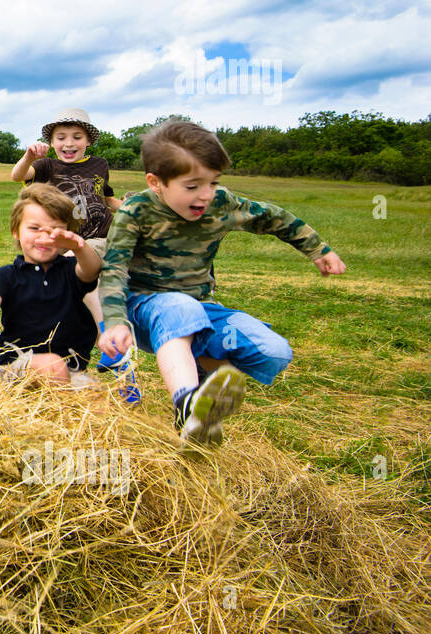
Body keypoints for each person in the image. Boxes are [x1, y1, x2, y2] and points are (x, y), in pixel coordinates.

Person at [97, 120, 347, 446]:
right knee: (180, 308)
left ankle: (203, 404)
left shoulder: (221, 203)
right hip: (144, 309)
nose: (206, 195)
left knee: (274, 352)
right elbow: (113, 269)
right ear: (156, 182)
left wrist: (318, 249)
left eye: (213, 182)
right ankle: (186, 404)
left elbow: (273, 217)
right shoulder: (136, 212)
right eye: (192, 186)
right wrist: (115, 321)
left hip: (201, 308)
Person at [0, 183, 101, 388]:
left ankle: (63, 406)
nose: (44, 237)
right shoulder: (7, 275)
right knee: (52, 365)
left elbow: (92, 269)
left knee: (98, 401)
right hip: (19, 366)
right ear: (16, 232)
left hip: (73, 370)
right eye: (34, 228)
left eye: (56, 231)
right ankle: (53, 413)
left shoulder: (72, 270)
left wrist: (79, 247)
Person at [10, 108, 127, 375]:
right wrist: (29, 155)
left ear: (88, 141)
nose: (69, 143)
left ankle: (105, 332)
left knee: (79, 272)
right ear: (52, 143)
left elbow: (106, 197)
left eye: (77, 137)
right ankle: (109, 356)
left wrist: (128, 206)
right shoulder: (46, 166)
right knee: (70, 294)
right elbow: (17, 176)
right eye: (61, 137)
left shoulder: (100, 165)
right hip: (61, 241)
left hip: (97, 237)